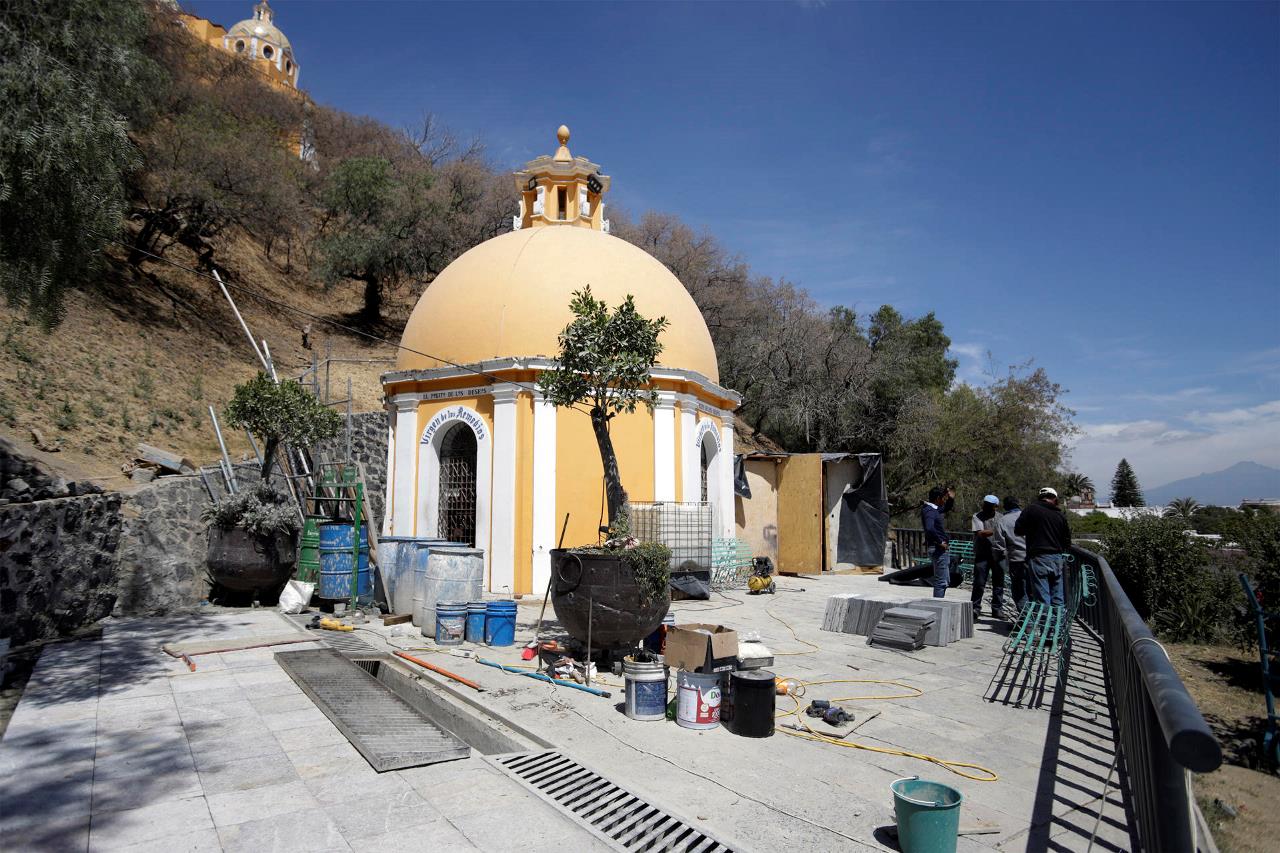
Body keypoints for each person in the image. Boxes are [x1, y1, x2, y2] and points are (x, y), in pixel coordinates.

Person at [1014, 486, 1072, 606]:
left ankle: (1045, 624)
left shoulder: (1031, 510)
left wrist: (1032, 531)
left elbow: (1018, 530)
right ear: (1054, 499)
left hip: (1038, 557)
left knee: (1042, 597)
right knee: (1058, 596)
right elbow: (1067, 539)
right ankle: (1059, 624)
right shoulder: (1060, 515)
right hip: (1057, 557)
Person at [970, 495, 1004, 617]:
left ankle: (997, 608)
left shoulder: (1001, 517)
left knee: (998, 583)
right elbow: (980, 533)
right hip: (982, 554)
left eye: (990, 505)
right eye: (985, 504)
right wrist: (999, 530)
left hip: (998, 554)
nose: (986, 507)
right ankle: (975, 607)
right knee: (979, 582)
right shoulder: (977, 516)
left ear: (996, 506)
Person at [992, 496, 1028, 611]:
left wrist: (1000, 560)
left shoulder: (1002, 521)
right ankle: (1039, 621)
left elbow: (999, 545)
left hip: (1016, 559)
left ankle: (1026, 622)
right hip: (1034, 558)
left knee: (1019, 591)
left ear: (1005, 507)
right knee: (1033, 590)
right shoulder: (1029, 517)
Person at [922, 485, 950, 598]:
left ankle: (939, 604)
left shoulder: (933, 509)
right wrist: (940, 542)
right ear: (938, 498)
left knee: (944, 581)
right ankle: (938, 607)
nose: (944, 500)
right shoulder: (930, 511)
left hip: (939, 549)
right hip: (938, 549)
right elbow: (929, 528)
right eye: (943, 498)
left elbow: (945, 508)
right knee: (941, 582)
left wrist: (951, 498)